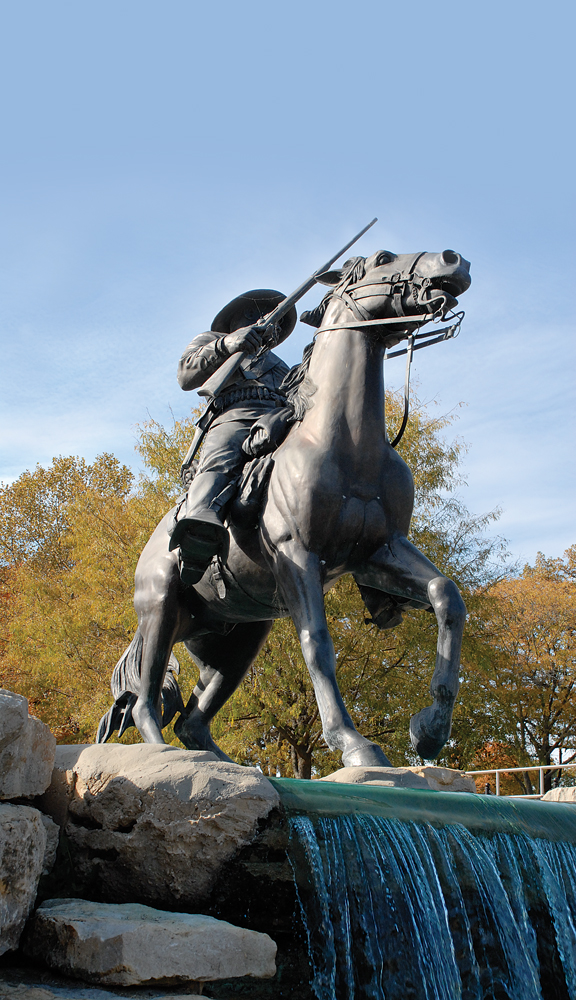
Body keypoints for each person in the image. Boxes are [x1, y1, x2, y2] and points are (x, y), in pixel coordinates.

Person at [169, 289, 296, 585]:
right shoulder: (211, 340)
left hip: (279, 420)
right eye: (252, 314)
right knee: (222, 457)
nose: (262, 320)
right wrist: (227, 345)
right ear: (234, 320)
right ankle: (199, 527)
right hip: (235, 413)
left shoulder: (281, 366)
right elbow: (186, 376)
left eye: (269, 317)